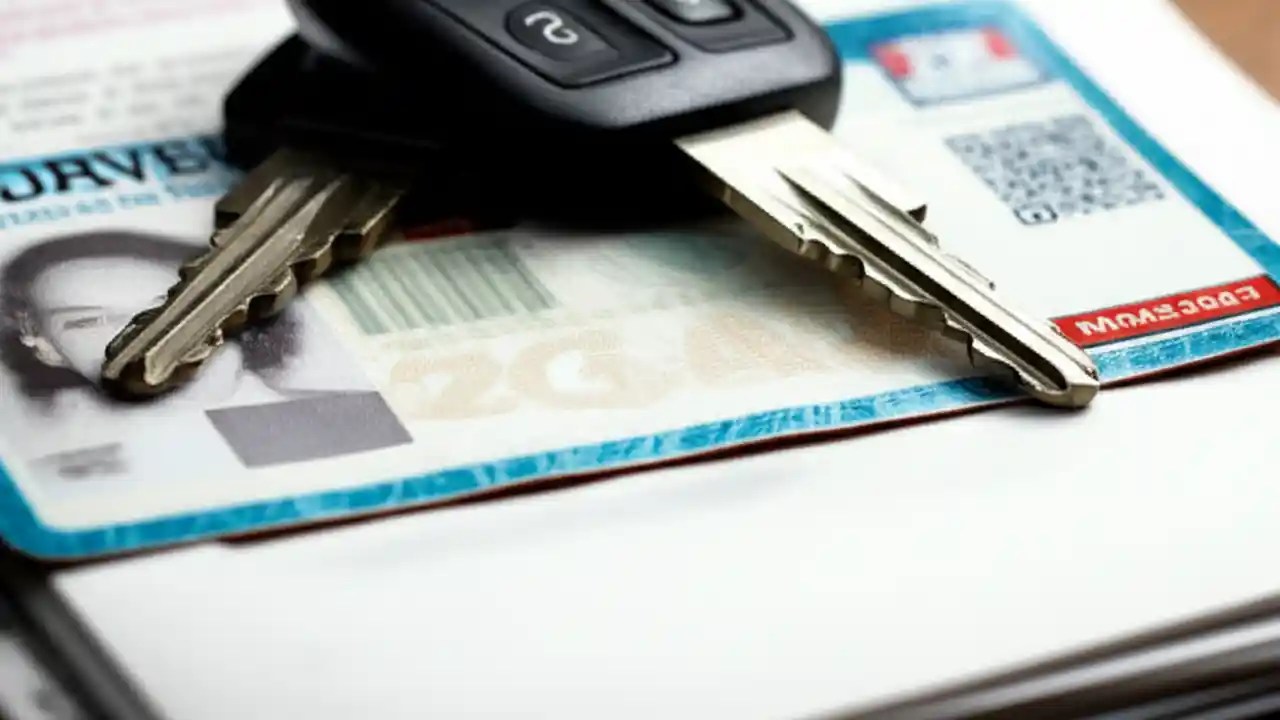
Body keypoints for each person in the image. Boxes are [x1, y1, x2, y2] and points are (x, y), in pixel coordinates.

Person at [0, 229, 410, 483]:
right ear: (43, 344)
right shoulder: (57, 476)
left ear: (238, 306)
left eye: (168, 307)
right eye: (87, 322)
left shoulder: (372, 418)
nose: (140, 334)